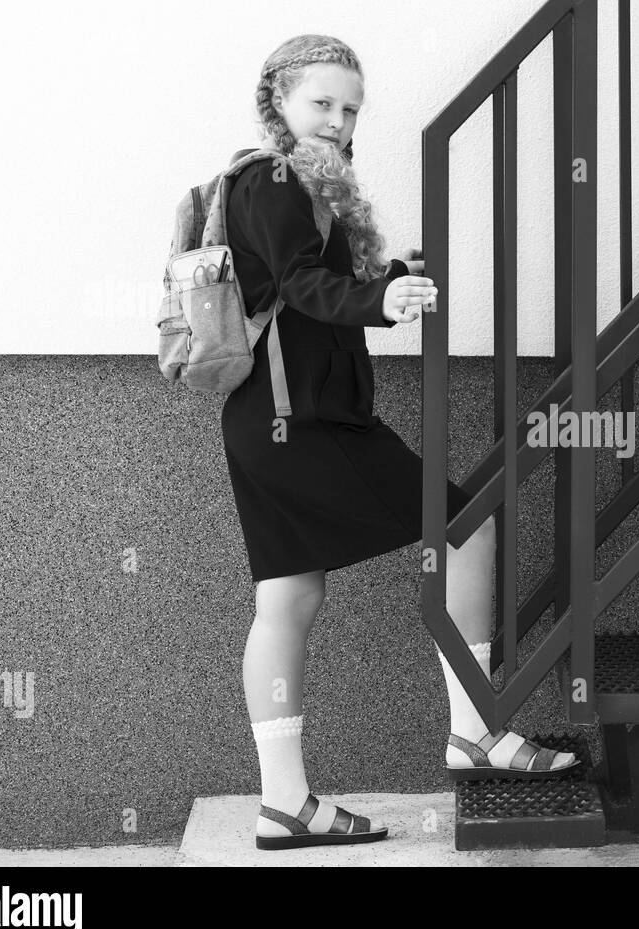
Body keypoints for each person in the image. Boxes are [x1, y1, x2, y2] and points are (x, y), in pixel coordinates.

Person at [221, 34, 577, 850]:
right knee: (465, 530)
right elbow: (304, 287)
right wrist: (381, 303)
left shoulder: (279, 181)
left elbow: (301, 280)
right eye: (322, 103)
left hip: (267, 420)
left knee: (288, 598)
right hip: (307, 422)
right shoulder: (275, 178)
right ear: (277, 99)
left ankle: (286, 801)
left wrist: (382, 285)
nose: (338, 122)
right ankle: (475, 730)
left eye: (349, 110)